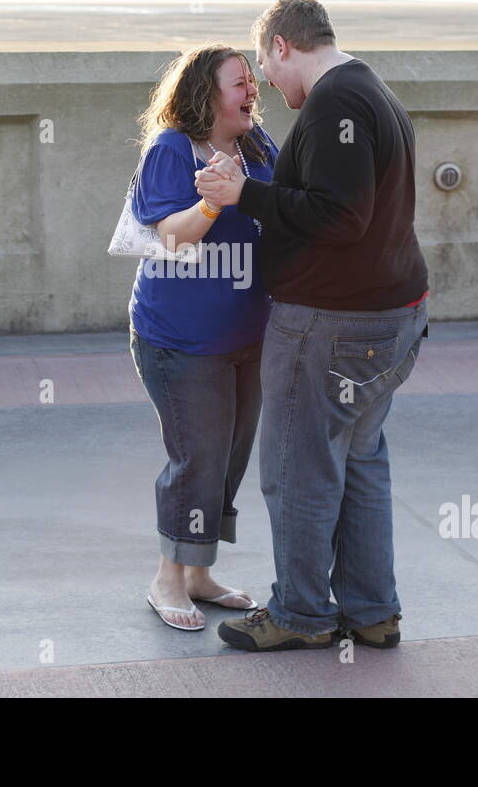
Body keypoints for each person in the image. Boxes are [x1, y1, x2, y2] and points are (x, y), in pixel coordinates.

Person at [195, 0, 430, 651]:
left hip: (335, 325)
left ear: (282, 47)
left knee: (296, 467)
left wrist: (244, 193)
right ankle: (372, 611)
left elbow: (339, 215)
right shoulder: (370, 88)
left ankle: (300, 613)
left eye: (265, 70)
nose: (266, 85)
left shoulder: (337, 104)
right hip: (392, 316)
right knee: (358, 462)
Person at [127, 44, 280, 630]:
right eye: (239, 83)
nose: (251, 91)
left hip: (249, 334)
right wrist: (214, 202)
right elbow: (172, 238)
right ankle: (168, 577)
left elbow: (281, 207)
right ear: (204, 93)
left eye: (252, 80)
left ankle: (199, 572)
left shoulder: (258, 144)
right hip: (180, 341)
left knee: (231, 456)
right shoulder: (171, 148)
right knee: (198, 457)